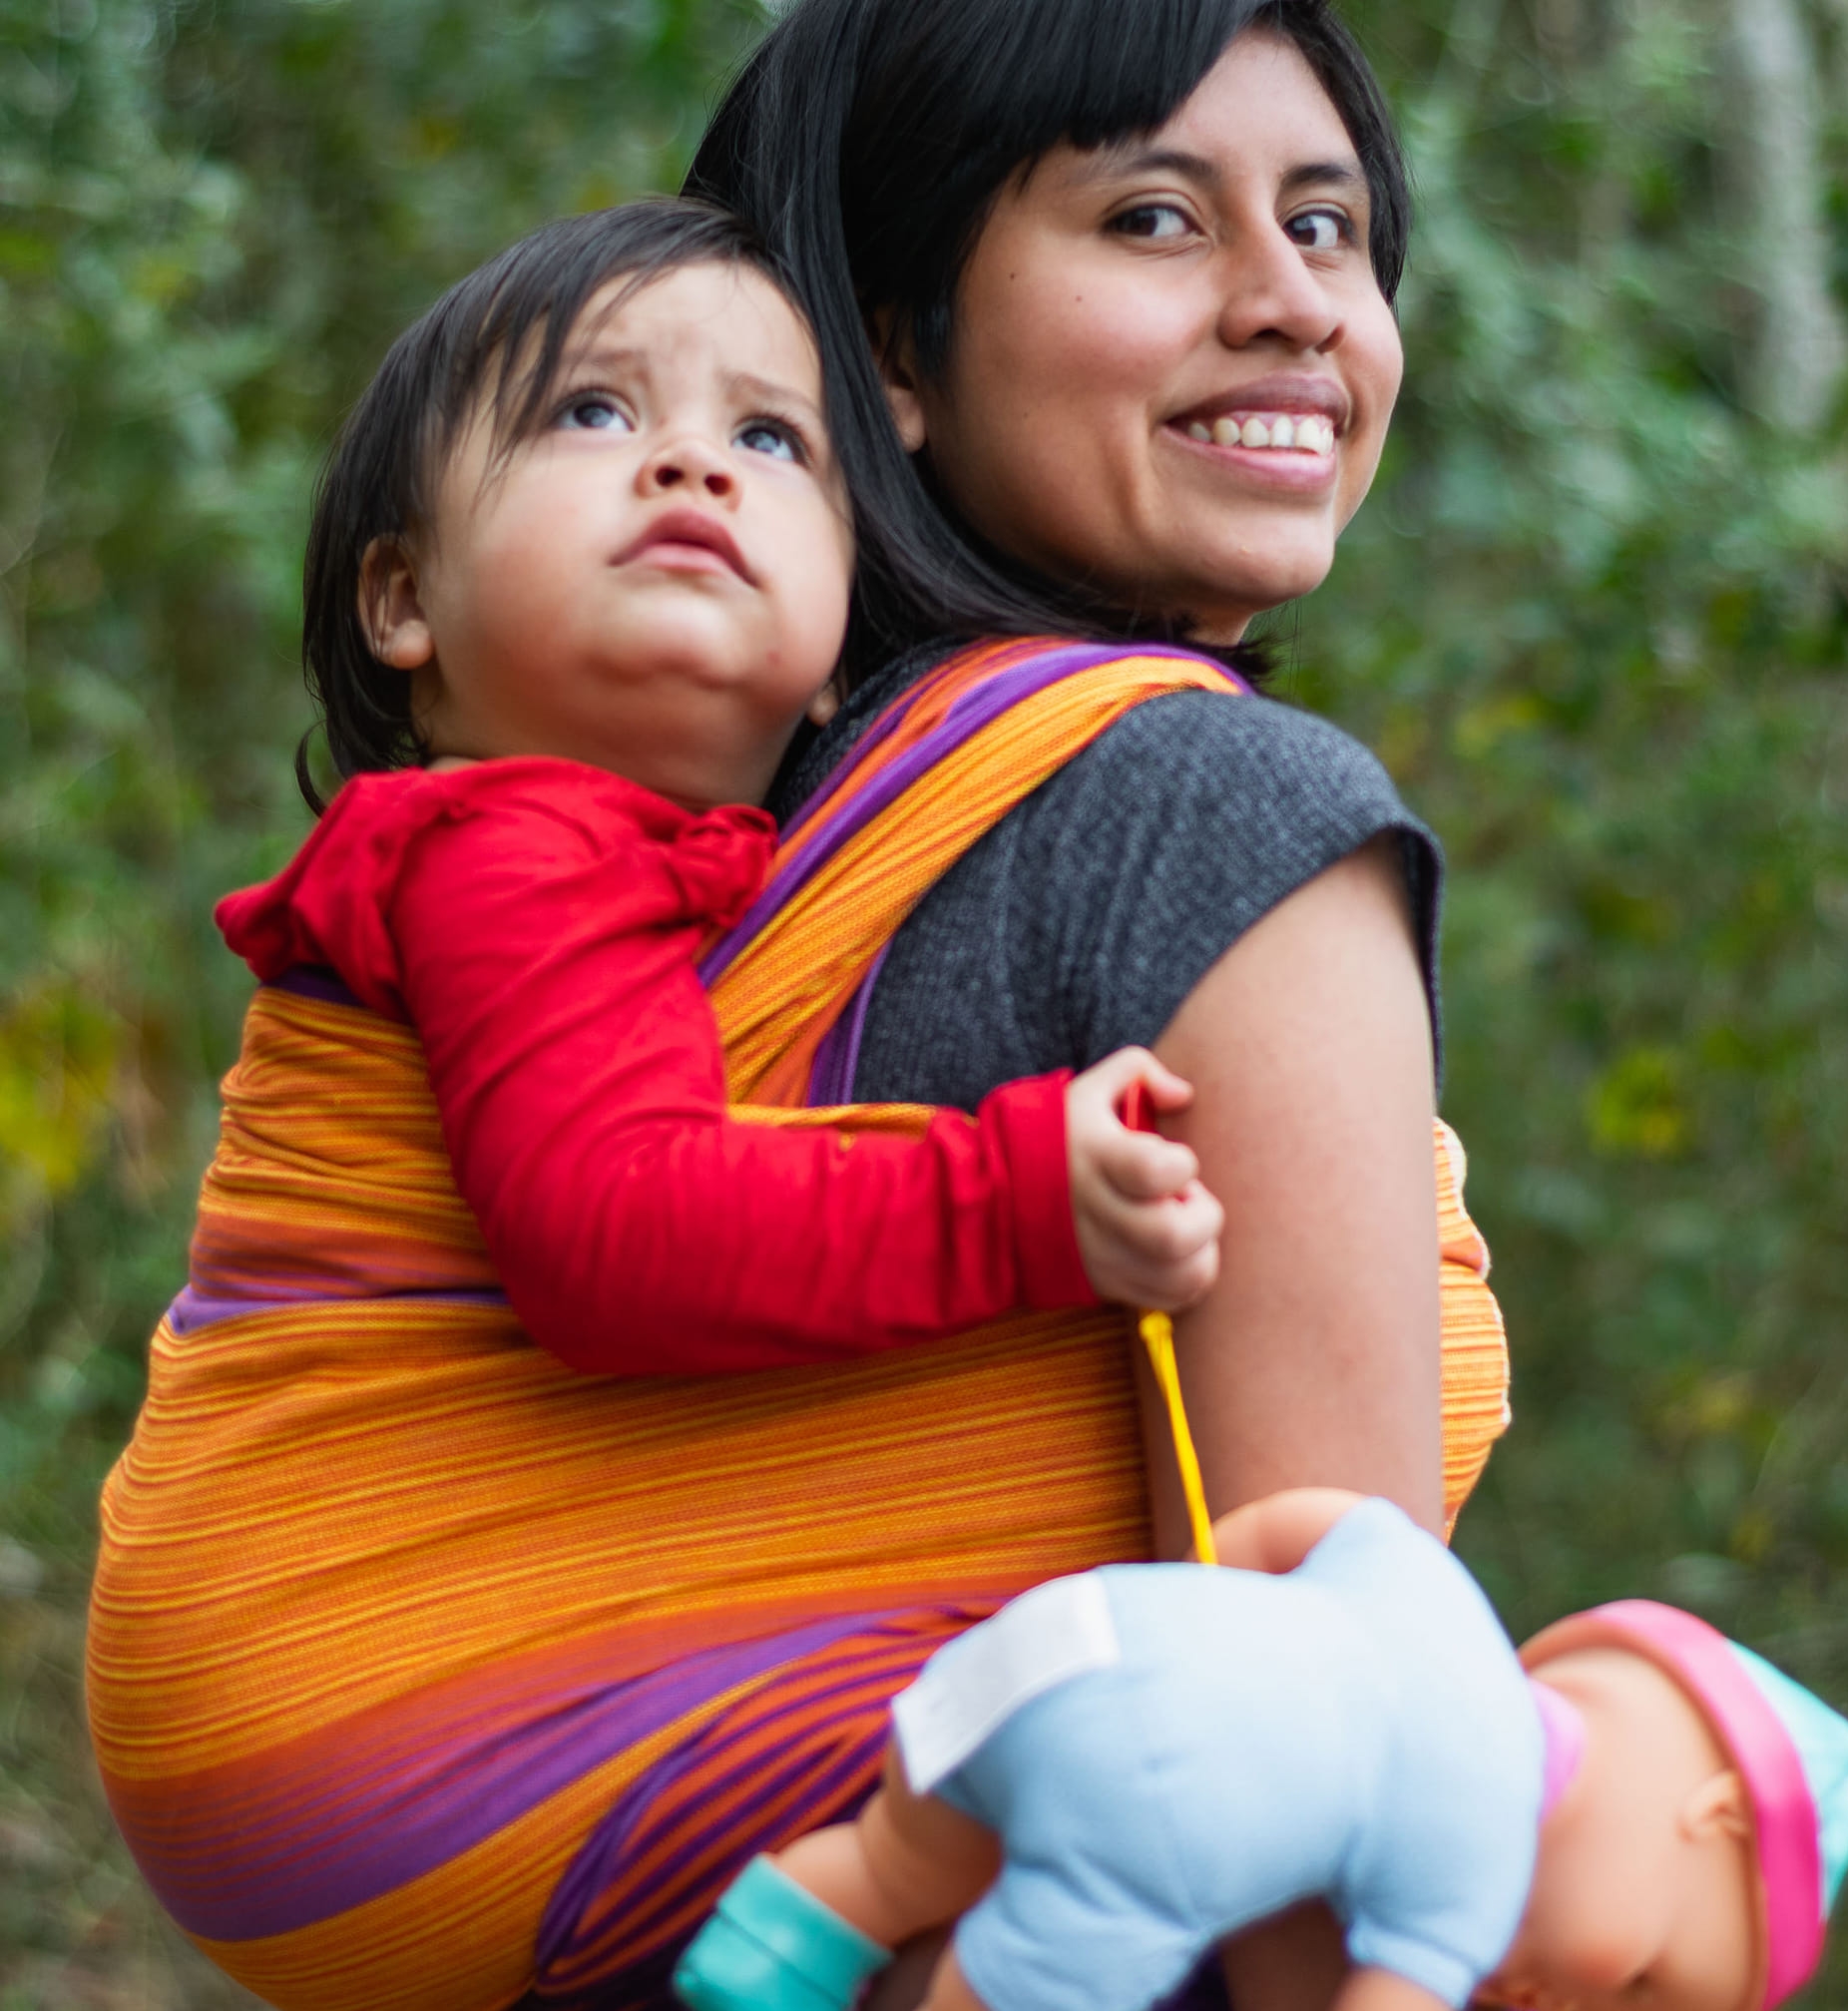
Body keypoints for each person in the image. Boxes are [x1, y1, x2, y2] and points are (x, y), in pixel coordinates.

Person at [85, 198, 1232, 2011]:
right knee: (1161, 1748)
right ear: (403, 601)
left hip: (325, 1711)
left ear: (842, 622)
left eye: (770, 439)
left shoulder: (671, 883)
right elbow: (616, 1235)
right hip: (371, 1701)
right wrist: (1023, 1200)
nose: (689, 460)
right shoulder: (511, 841)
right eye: (592, 412)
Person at [687, 0, 1513, 1998]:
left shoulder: (688, 803)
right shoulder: (1219, 816)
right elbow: (1307, 1788)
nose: (1293, 302)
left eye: (1327, 225)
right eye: (1154, 218)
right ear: (890, 345)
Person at [677, 1491, 1848, 2011]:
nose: (1566, 2007)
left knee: (897, 1860)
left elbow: (1301, 1521)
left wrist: (1199, 1618)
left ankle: (758, 1955)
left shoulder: (1437, 1595)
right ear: (1708, 1813)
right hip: (1153, 1820)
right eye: (1639, 1983)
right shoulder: (1471, 1861)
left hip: (1065, 1639)